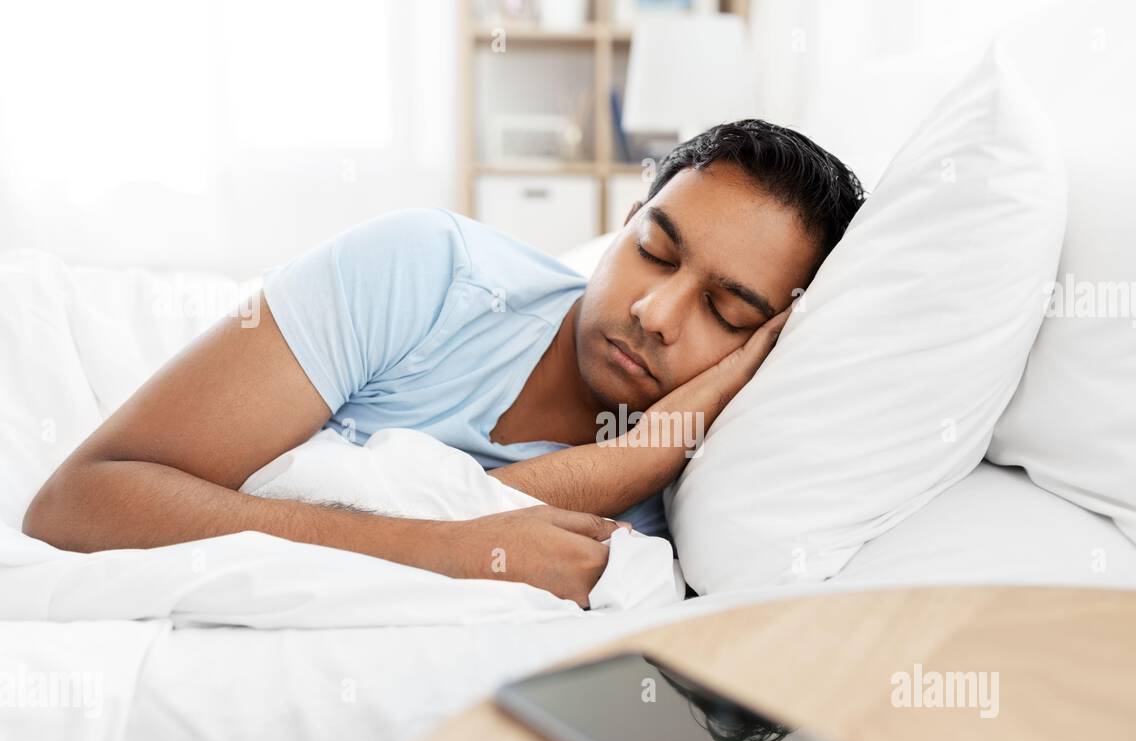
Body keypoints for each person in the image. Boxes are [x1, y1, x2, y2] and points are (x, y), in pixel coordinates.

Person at [22, 119, 864, 607]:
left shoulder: (682, 506)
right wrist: (441, 552)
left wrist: (646, 456)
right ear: (628, 218)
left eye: (727, 312)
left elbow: (501, 523)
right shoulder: (425, 269)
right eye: (653, 250)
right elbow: (78, 501)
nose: (655, 314)